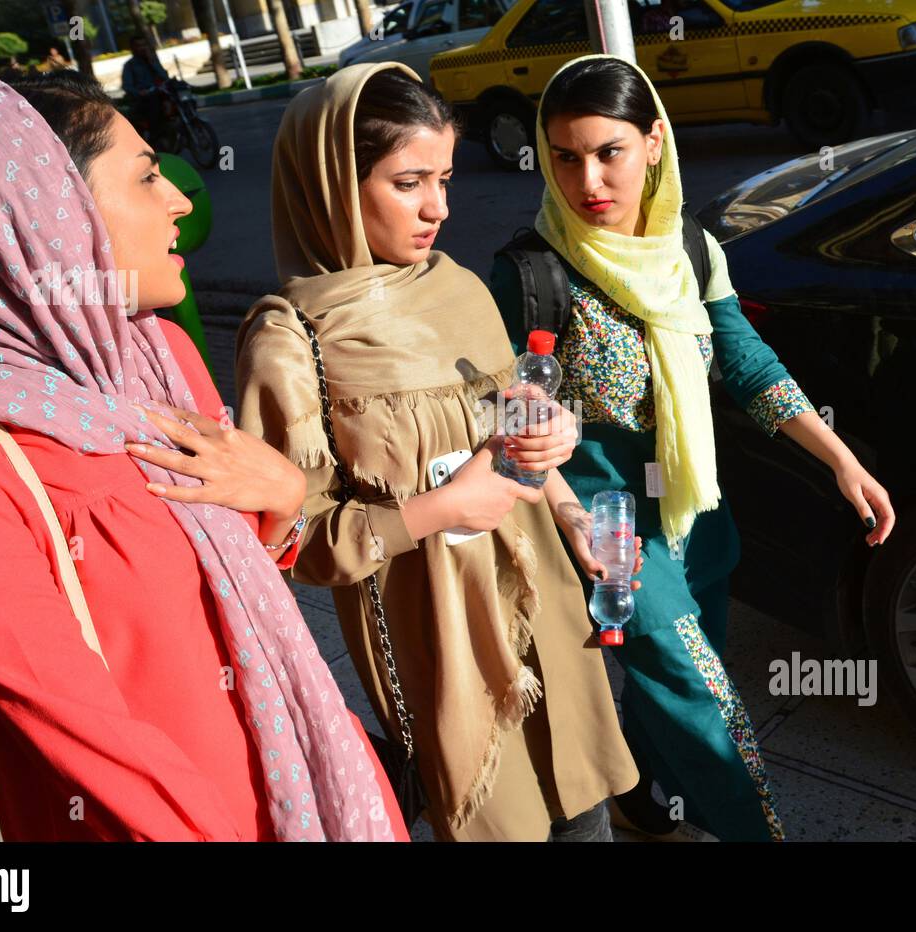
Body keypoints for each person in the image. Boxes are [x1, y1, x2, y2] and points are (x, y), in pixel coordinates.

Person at [0, 71, 405, 842]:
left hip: (304, 787)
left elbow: (228, 580)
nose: (181, 202)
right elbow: (81, 735)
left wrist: (285, 500)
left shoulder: (160, 358)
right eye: (147, 175)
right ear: (45, 217)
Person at [490, 55, 897, 841]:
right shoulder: (531, 272)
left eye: (609, 151)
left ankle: (643, 803)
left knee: (673, 681)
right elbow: (501, 415)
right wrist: (568, 511)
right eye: (565, 157)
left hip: (697, 520)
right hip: (609, 536)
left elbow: (744, 361)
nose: (588, 181)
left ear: (653, 142)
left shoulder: (690, 247)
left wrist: (840, 458)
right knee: (703, 695)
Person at [235, 62, 643, 842]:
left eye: (446, 179)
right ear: (330, 183)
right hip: (443, 650)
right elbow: (285, 543)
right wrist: (436, 511)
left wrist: (560, 488)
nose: (438, 209)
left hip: (547, 615)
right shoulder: (290, 342)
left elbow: (509, 433)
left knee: (588, 818)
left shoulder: (456, 287)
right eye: (408, 182)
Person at [121, 35, 169, 143]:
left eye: (144, 45)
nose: (142, 48)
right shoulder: (130, 65)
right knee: (153, 103)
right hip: (143, 99)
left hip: (160, 94)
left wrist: (152, 62)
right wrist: (139, 92)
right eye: (138, 46)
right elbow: (126, 86)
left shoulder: (153, 60)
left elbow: (165, 77)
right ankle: (155, 137)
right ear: (133, 48)